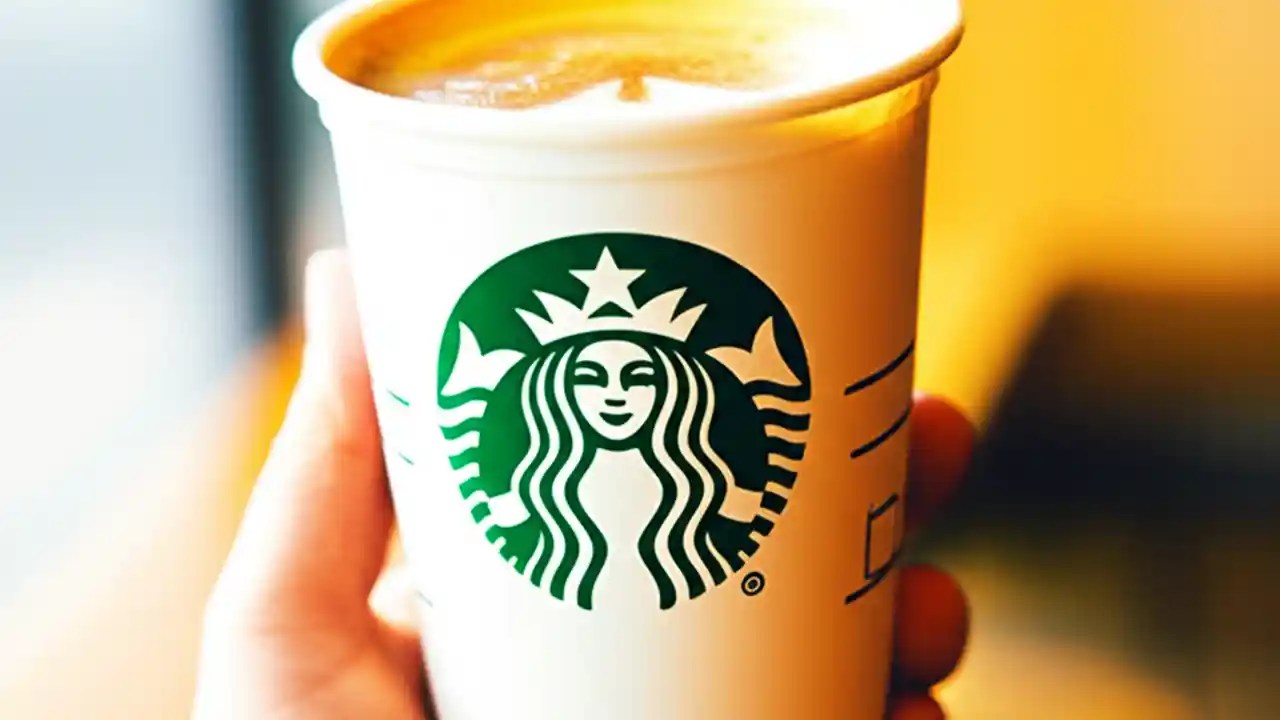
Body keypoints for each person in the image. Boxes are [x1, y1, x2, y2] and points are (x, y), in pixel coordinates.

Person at [193, 251, 974, 720]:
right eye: (591, 375)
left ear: (676, 386)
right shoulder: (540, 499)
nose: (614, 394)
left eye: (638, 374)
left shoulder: (706, 502)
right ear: (553, 388)